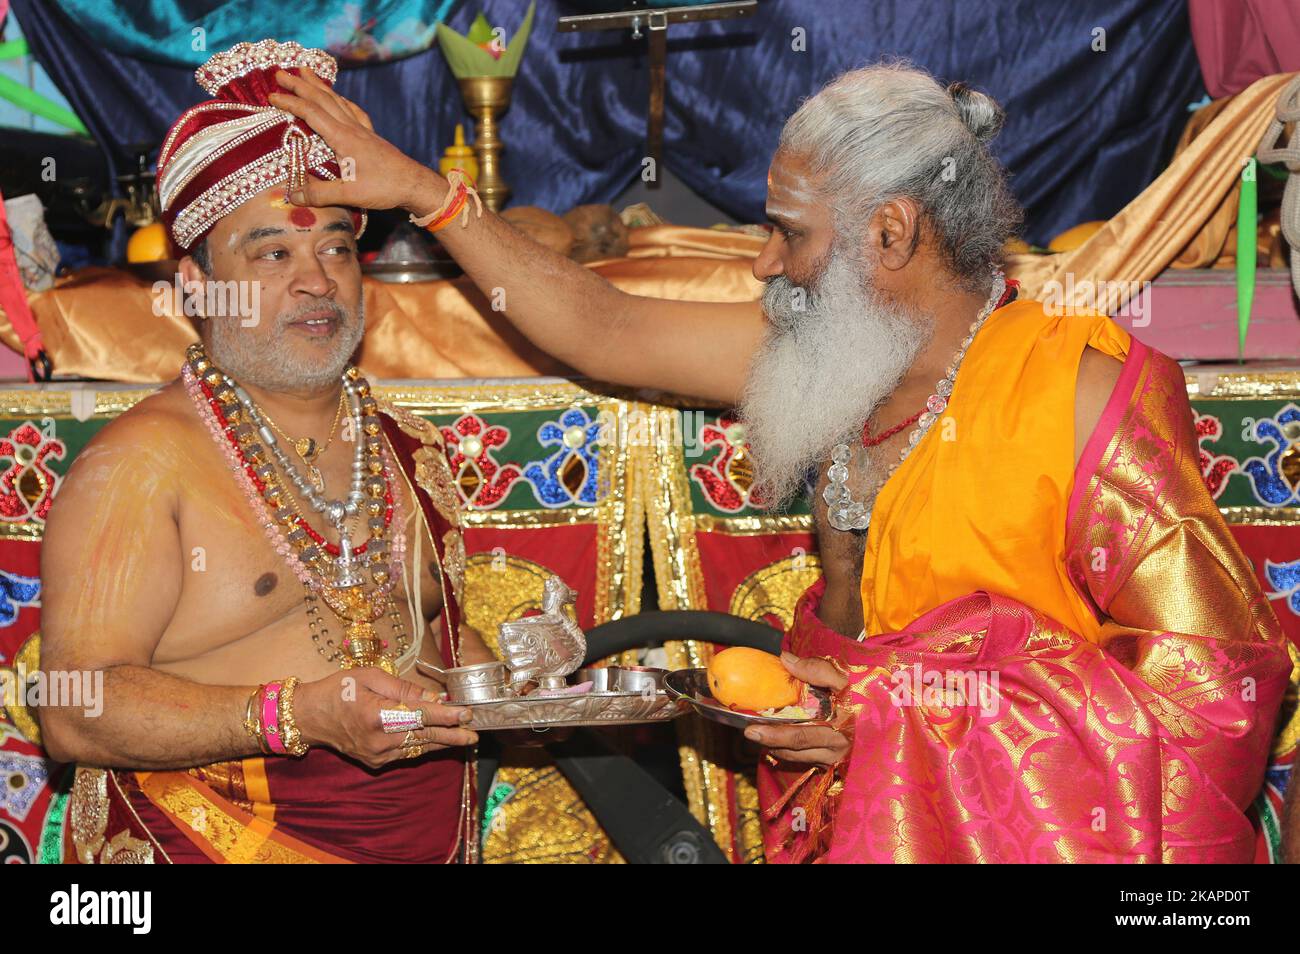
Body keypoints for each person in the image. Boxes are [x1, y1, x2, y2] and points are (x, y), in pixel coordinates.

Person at [270, 59, 1290, 863]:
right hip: (865, 814)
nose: (760, 261)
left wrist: (900, 721)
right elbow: (605, 326)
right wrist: (426, 195)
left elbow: (1214, 692)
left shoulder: (1076, 393)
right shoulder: (832, 351)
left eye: (786, 233)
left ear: (890, 233)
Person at [37, 39, 492, 864]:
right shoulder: (138, 467)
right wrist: (297, 714)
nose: (317, 280)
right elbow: (70, 709)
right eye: (273, 253)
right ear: (198, 285)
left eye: (337, 250)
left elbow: (436, 646)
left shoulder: (406, 448)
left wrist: (523, 689)